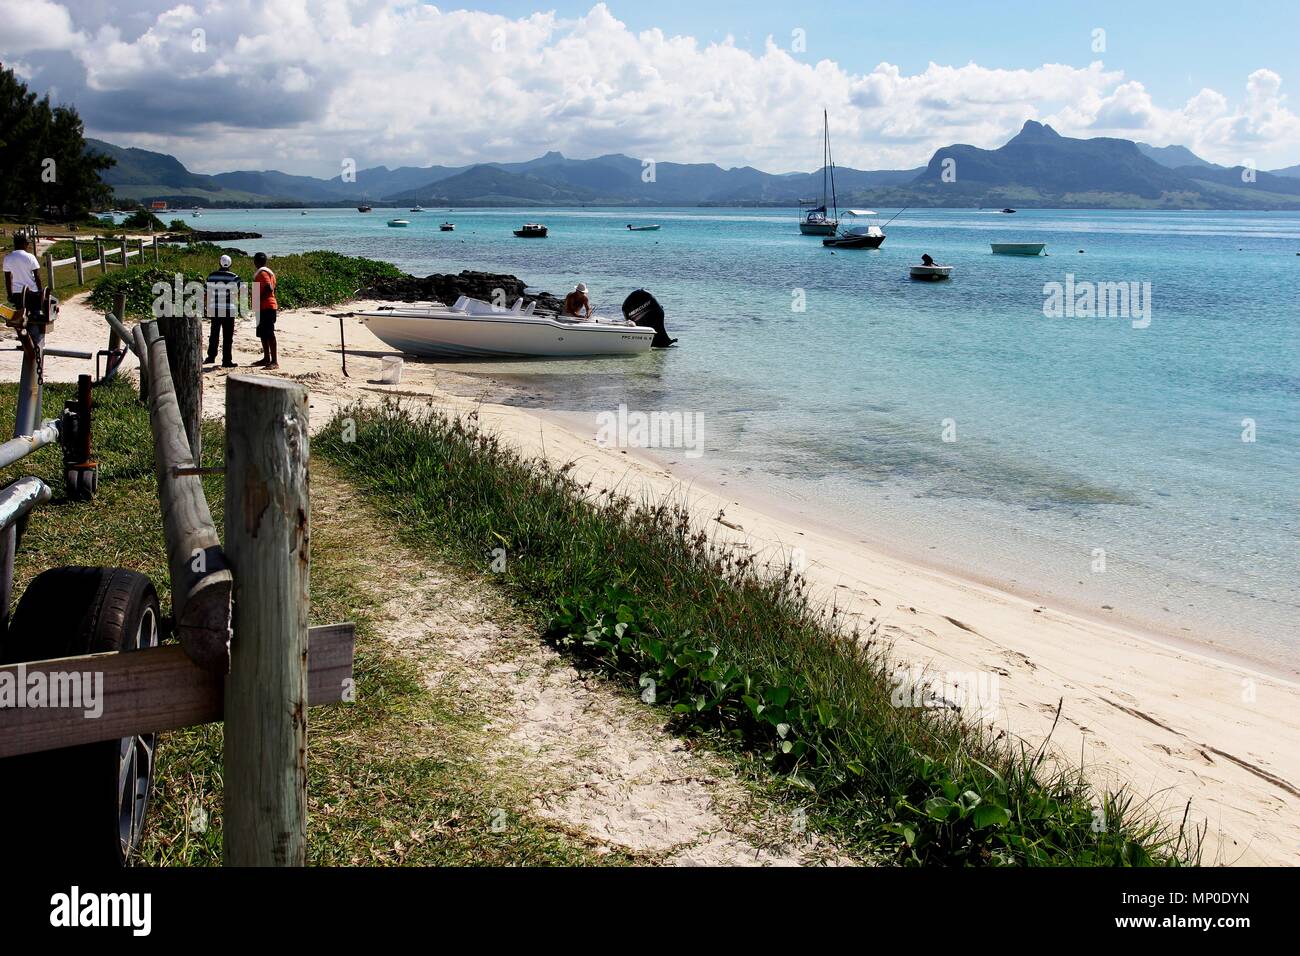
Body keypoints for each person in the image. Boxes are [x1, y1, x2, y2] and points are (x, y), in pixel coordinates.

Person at [204, 254, 242, 368]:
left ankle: (211, 357)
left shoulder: (211, 276)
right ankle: (226, 360)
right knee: (227, 336)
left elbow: (206, 293)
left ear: (219, 263)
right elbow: (237, 294)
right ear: (230, 264)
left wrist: (205, 306)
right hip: (229, 309)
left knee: (214, 333)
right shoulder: (235, 277)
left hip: (214, 308)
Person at [3, 233, 43, 324]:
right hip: (32, 291)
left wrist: (10, 294)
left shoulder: (8, 258)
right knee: (35, 314)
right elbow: (37, 276)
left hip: (17, 293)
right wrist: (40, 291)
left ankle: (23, 334)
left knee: (20, 316)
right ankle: (35, 334)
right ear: (23, 244)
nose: (28, 245)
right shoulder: (30, 257)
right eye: (27, 243)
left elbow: (8, 279)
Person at [251, 252, 278, 369]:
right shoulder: (269, 272)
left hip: (266, 307)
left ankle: (274, 361)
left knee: (269, 333)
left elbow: (268, 287)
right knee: (263, 333)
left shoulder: (262, 273)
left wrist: (259, 298)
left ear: (256, 262)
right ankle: (266, 358)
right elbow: (273, 288)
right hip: (264, 306)